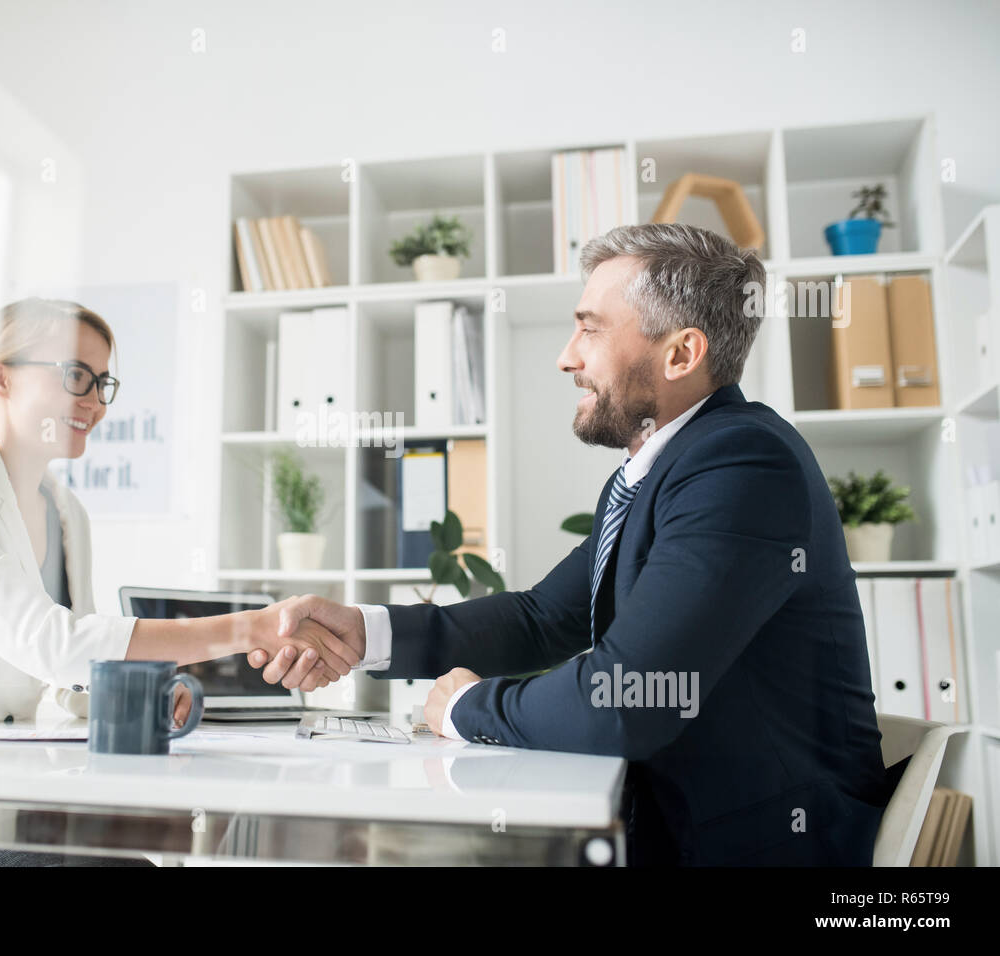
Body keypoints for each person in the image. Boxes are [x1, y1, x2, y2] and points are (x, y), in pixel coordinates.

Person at [251, 223, 894, 866]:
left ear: (681, 354)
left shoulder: (743, 464)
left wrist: (467, 707)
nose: (567, 356)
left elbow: (627, 698)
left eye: (590, 329)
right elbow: (543, 618)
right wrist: (364, 633)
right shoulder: (667, 470)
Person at [0, 298, 355, 866]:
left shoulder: (66, 513)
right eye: (75, 376)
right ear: (0, 378)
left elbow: (70, 681)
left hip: (0, 801)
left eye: (102, 382)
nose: (93, 401)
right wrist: (253, 627)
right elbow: (56, 645)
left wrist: (148, 701)